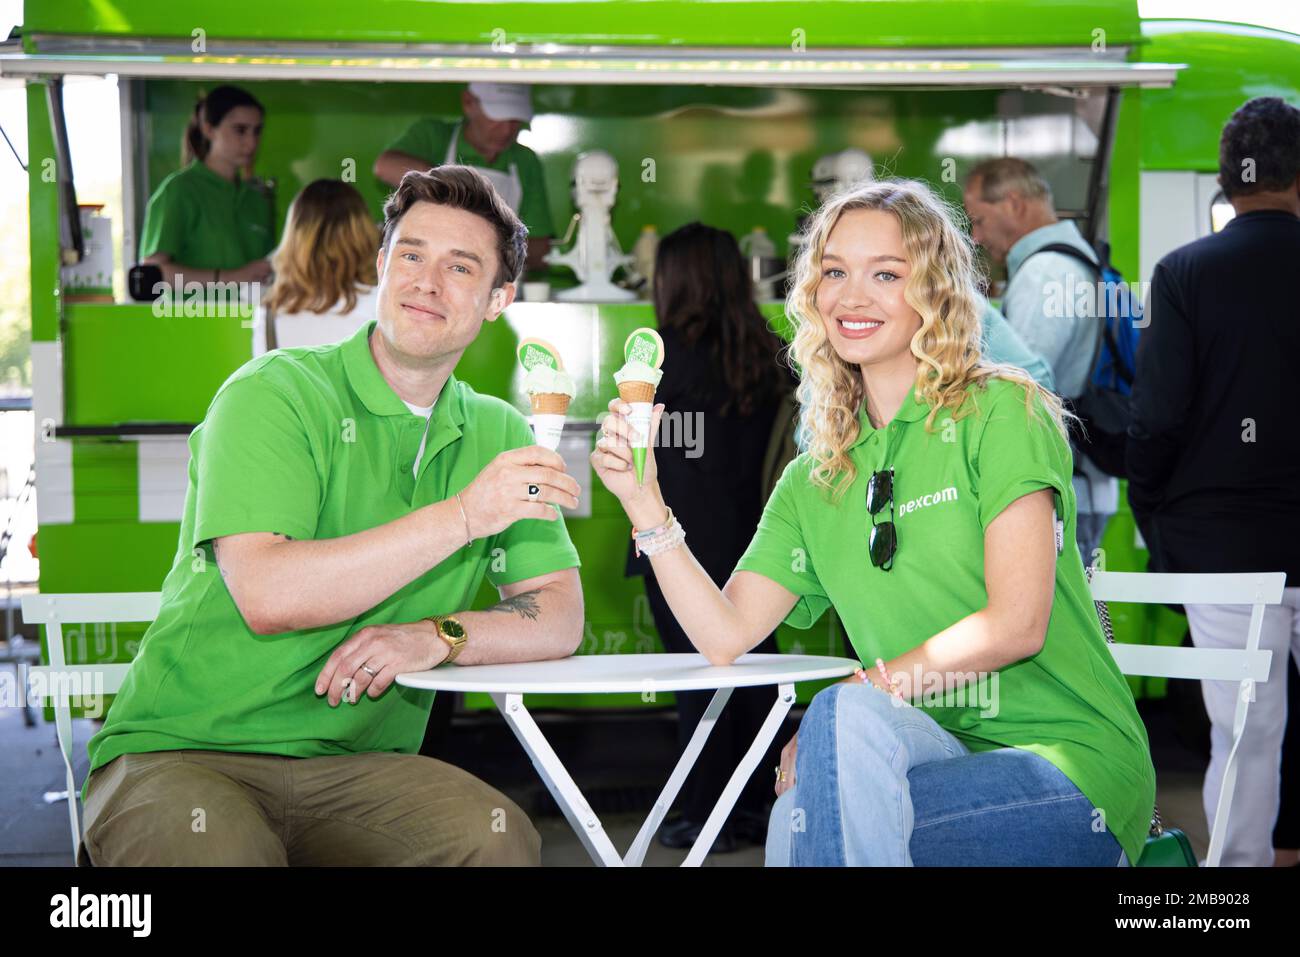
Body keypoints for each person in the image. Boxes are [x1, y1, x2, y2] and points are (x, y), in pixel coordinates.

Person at [592, 178, 1155, 866]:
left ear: (934, 291)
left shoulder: (1002, 412)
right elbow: (723, 635)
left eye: (885, 274)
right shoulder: (815, 478)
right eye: (834, 272)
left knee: (812, 788)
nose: (851, 297)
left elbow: (1016, 624)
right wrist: (645, 503)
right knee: (808, 795)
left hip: (1065, 766)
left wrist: (857, 694)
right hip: (926, 749)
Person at [80, 165, 585, 866]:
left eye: (459, 266)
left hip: (357, 765)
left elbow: (560, 614)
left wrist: (438, 634)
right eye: (411, 255)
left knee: (495, 838)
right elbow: (270, 596)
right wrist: (464, 516)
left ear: (498, 298)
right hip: (184, 750)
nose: (426, 282)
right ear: (380, 266)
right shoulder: (273, 394)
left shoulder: (499, 431)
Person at [1127, 95, 1300, 867]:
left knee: (1243, 733)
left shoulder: (1185, 273)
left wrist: (1153, 507)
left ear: (1228, 181)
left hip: (1225, 549)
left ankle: (1237, 878)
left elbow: (1157, 417)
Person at [623, 223, 792, 852]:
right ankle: (760, 806)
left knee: (700, 681)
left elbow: (644, 459)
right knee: (756, 676)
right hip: (758, 541)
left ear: (674, 280)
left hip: (676, 544)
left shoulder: (658, 358)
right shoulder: (767, 349)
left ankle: (704, 815)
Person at [963, 158, 1116, 566]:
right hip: (1080, 480)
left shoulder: (1045, 272)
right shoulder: (1073, 259)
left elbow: (1021, 388)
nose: (976, 237)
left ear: (1014, 203)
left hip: (1056, 487)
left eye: (979, 220)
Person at [375, 82, 554, 272]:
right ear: (469, 102)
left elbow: (539, 245)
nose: (507, 130)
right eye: (498, 117)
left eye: (515, 120)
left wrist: (488, 257)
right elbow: (384, 166)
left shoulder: (525, 160)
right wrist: (451, 186)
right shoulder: (434, 136)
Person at [139, 85, 275, 287]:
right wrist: (231, 278)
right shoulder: (179, 190)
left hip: (252, 309)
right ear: (209, 129)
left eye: (257, 131)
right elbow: (152, 272)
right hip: (191, 309)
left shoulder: (257, 200)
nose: (251, 142)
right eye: (240, 130)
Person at [251, 179, 379, 355]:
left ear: (293, 238)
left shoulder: (270, 312)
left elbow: (263, 371)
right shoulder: (380, 306)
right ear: (363, 234)